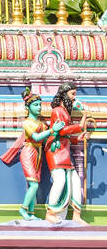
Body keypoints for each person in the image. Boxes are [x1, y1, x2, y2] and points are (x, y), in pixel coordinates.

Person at [1, 86, 58, 220]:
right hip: (29, 151)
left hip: (38, 153)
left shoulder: (41, 123)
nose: (39, 107)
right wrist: (51, 130)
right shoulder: (27, 122)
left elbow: (46, 138)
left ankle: (31, 213)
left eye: (40, 105)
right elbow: (37, 138)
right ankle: (23, 209)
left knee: (34, 182)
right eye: (36, 105)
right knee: (34, 184)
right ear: (28, 107)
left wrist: (55, 136)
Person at [45, 81, 89, 224]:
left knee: (76, 182)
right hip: (55, 151)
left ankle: (76, 214)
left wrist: (78, 139)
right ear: (64, 94)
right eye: (72, 94)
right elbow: (61, 131)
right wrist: (80, 126)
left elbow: (67, 136)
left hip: (64, 151)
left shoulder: (65, 112)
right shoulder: (58, 110)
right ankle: (50, 213)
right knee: (60, 180)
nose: (74, 98)